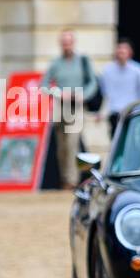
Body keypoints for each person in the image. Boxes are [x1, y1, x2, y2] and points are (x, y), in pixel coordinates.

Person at [41, 29, 98, 189]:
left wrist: (83, 95)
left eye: (69, 42)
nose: (67, 45)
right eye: (64, 42)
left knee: (73, 142)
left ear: (73, 43)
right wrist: (58, 93)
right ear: (61, 44)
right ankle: (64, 177)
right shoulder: (55, 63)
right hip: (60, 106)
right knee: (61, 146)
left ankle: (72, 181)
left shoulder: (82, 61)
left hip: (76, 106)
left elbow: (92, 83)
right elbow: (44, 85)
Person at [100, 39, 140, 138]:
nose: (121, 52)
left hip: (132, 113)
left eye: (124, 50)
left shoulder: (138, 70)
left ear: (130, 52)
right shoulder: (107, 70)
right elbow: (104, 93)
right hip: (114, 114)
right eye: (119, 49)